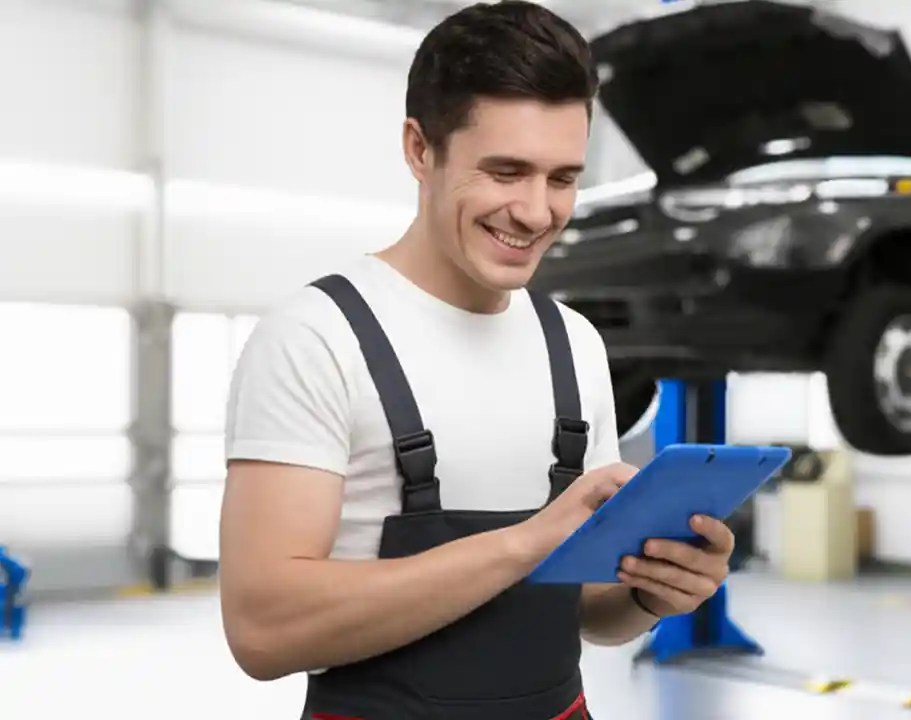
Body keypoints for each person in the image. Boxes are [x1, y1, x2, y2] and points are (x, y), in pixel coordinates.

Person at [216, 2, 737, 718]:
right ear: (419, 149)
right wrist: (524, 544)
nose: (536, 212)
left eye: (562, 178)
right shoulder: (316, 339)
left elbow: (589, 611)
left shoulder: (574, 344)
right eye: (506, 172)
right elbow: (262, 631)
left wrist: (653, 591)